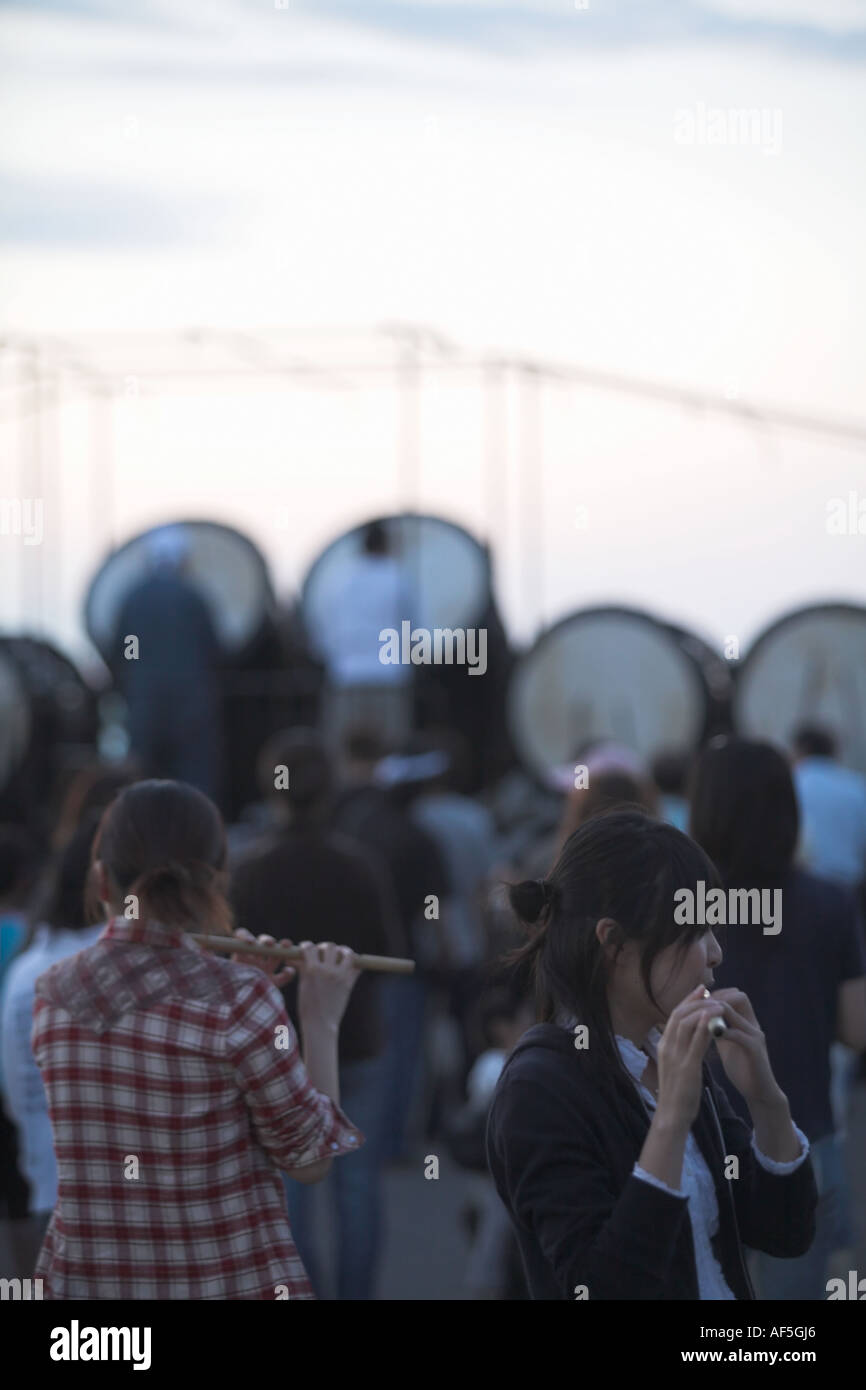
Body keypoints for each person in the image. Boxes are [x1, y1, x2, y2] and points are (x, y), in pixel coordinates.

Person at [31, 778, 362, 1299]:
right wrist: (319, 1019)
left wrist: (242, 992)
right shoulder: (240, 1001)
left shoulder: (51, 995)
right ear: (217, 883)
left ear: (100, 881)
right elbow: (309, 1159)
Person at [486, 809, 818, 1300]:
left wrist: (767, 1100)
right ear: (614, 944)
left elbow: (784, 1232)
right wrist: (670, 1120)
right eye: (694, 931)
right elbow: (600, 1286)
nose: (715, 953)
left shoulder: (662, 1049)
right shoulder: (540, 1086)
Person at [689, 736, 866, 1299]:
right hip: (803, 1136)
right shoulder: (831, 903)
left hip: (699, 1135)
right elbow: (857, 1030)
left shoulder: (682, 906)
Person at [231, 729, 402, 1300]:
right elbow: (385, 953)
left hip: (277, 1053)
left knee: (292, 1189)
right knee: (356, 1188)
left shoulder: (250, 868)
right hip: (359, 1042)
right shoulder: (359, 865)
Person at [1, 815, 105, 1246]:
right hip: (106, 1206)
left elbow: (12, 1093)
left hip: (43, 1190)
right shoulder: (108, 967)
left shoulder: (28, 967)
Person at [111, 526, 224, 803]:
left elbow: (126, 651)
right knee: (195, 781)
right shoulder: (194, 597)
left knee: (141, 780)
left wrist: (137, 679)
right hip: (191, 704)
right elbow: (214, 649)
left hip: (145, 702)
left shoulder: (133, 598)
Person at [314, 520, 418, 753]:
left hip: (347, 677)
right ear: (386, 545)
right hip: (389, 677)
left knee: (345, 751)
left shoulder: (339, 580)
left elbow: (323, 630)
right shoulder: (398, 578)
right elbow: (412, 630)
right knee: (391, 749)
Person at [791, 724, 866, 893]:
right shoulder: (856, 786)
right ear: (834, 751)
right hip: (849, 885)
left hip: (804, 886)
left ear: (800, 750)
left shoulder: (792, 784)